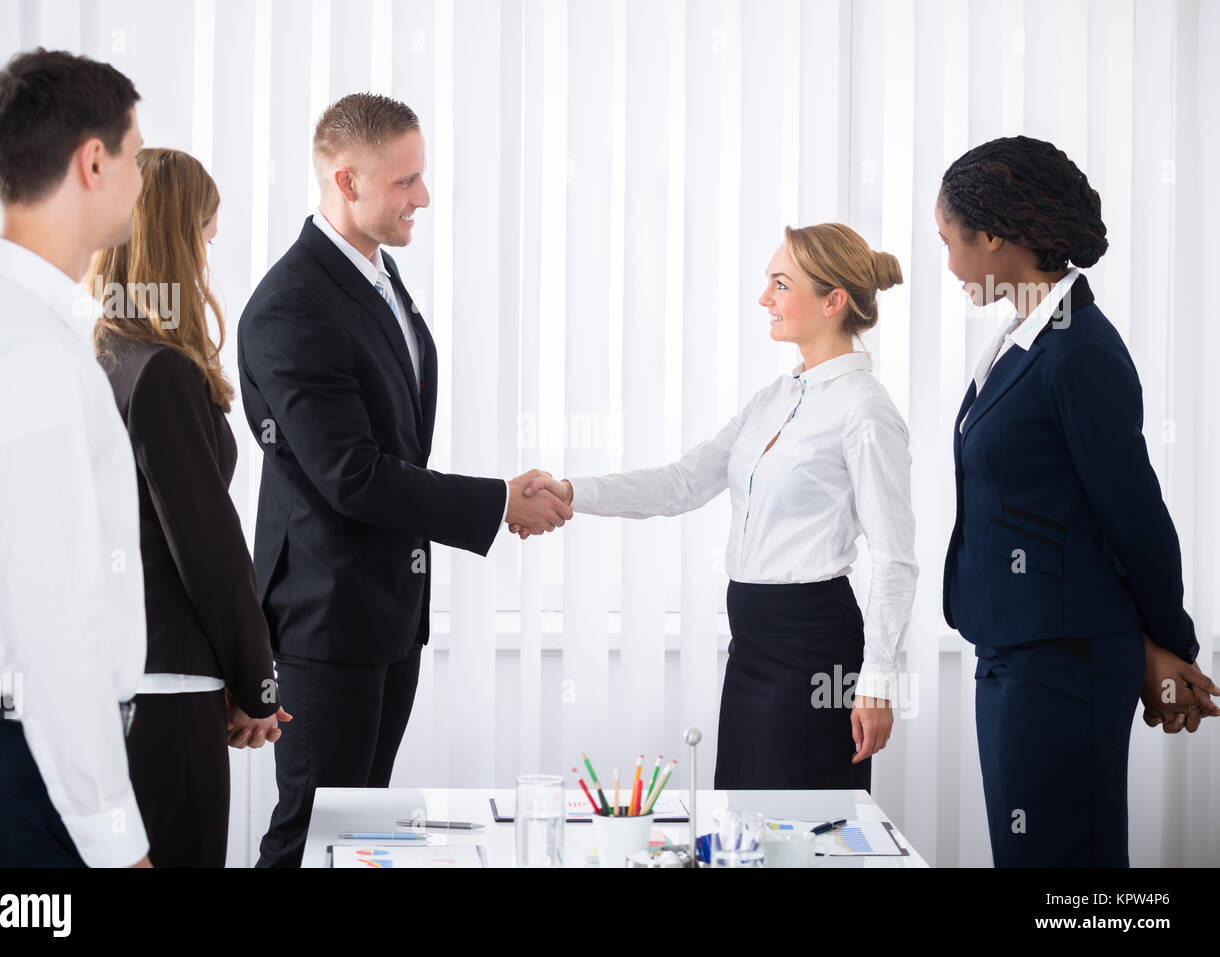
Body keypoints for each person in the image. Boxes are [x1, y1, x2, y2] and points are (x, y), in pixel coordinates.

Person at [238, 92, 571, 867]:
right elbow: (353, 476)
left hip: (385, 614)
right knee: (309, 836)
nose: (423, 197)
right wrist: (496, 502)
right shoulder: (292, 305)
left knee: (358, 837)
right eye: (405, 182)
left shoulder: (375, 277)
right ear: (347, 182)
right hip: (327, 625)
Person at [516, 224, 917, 790]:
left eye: (781, 284)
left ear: (834, 301)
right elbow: (683, 482)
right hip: (752, 642)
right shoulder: (776, 397)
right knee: (742, 820)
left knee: (802, 829)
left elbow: (896, 556)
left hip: (813, 647)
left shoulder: (865, 409)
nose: (764, 299)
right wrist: (573, 492)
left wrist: (877, 681)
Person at [936, 135, 1220, 867]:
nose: (948, 265)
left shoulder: (1080, 349)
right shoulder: (1023, 335)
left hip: (1062, 660)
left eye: (950, 241)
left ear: (994, 236)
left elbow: (1133, 516)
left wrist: (1169, 647)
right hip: (1015, 649)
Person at [0, 49, 152, 867]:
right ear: (93, 161)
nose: (139, 180)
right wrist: (118, 841)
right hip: (19, 770)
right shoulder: (22, 350)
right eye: (135, 157)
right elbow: (49, 624)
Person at [88, 147, 292, 867]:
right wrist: (257, 685)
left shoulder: (97, 356)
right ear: (175, 238)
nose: (211, 249)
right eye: (205, 231)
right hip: (168, 690)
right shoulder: (163, 372)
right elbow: (207, 549)